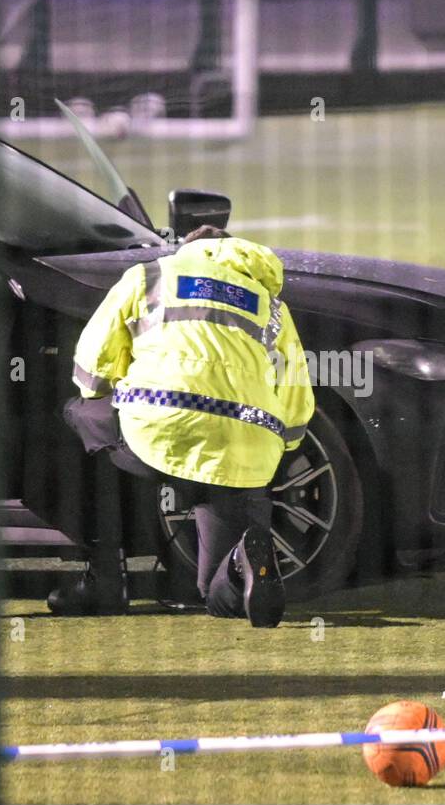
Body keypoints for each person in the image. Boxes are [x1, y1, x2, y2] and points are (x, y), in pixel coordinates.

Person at [48, 227, 313, 627]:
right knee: (218, 597)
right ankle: (240, 563)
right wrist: (280, 448)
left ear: (185, 248)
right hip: (244, 449)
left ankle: (105, 577)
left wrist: (106, 394)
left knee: (77, 417)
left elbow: (92, 364)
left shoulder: (148, 276)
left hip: (157, 428)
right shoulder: (272, 306)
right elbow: (295, 396)